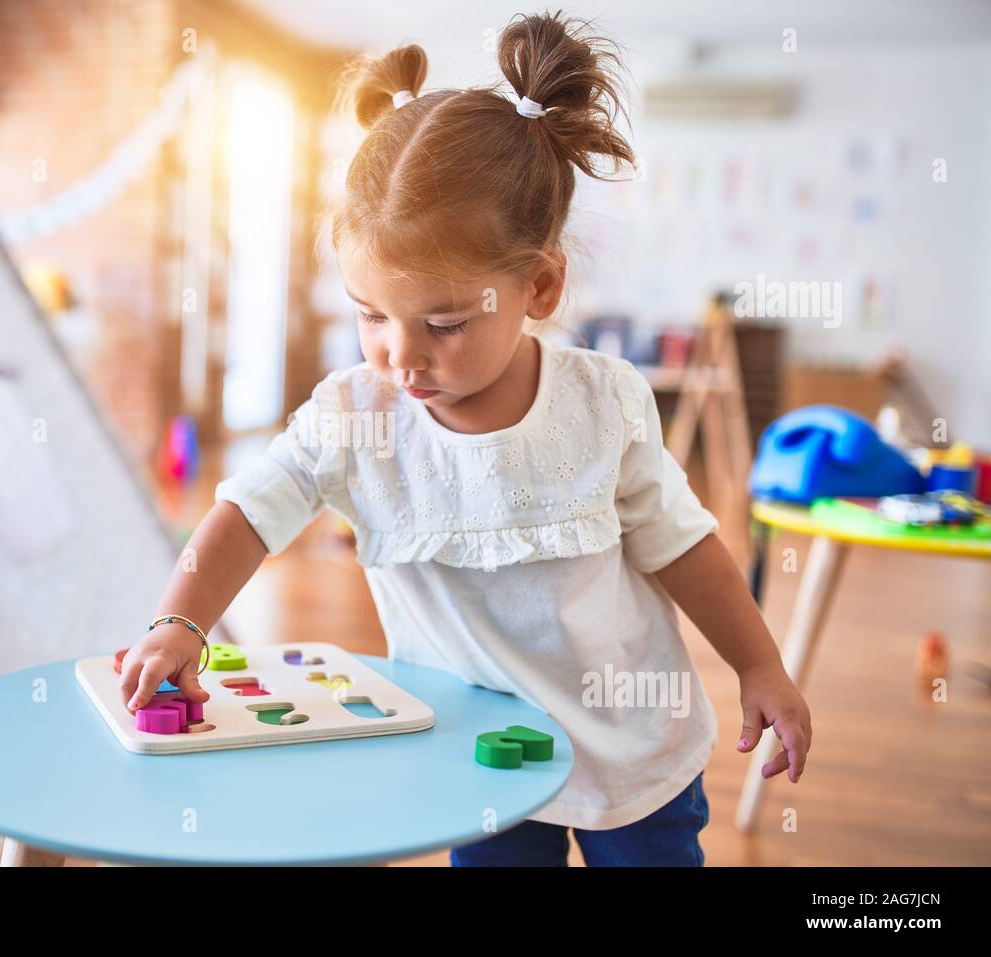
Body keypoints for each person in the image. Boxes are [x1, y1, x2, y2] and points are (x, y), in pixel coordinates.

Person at [118, 11, 811, 866]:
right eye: (371, 314)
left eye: (443, 323)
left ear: (540, 286)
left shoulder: (601, 404)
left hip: (631, 753)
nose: (400, 356)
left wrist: (762, 667)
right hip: (472, 757)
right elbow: (244, 513)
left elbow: (686, 545)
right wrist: (179, 620)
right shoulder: (351, 418)